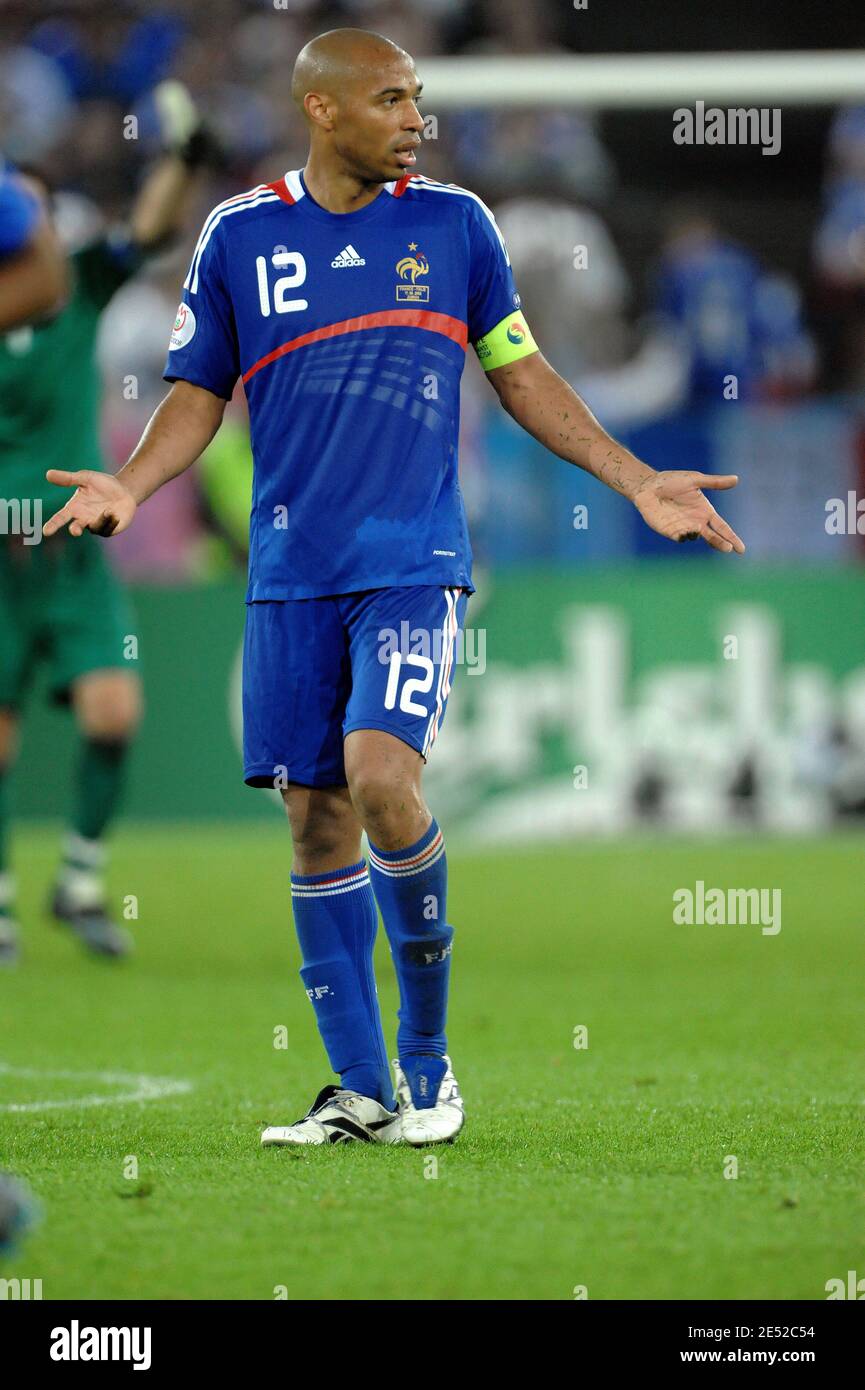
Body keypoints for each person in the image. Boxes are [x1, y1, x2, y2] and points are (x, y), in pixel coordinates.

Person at [43, 29, 744, 1145]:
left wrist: (635, 478)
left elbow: (521, 373)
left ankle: (429, 1064)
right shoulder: (239, 234)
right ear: (322, 111)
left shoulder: (457, 225)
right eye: (393, 99)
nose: (418, 118)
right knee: (314, 818)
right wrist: (130, 486)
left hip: (413, 560)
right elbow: (194, 394)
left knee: (380, 780)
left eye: (419, 97)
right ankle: (359, 1088)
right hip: (289, 575)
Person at [1, 99, 212, 962]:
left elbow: (150, 226)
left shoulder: (85, 282)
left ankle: (79, 881)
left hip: (72, 550)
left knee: (114, 711)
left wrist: (184, 158)